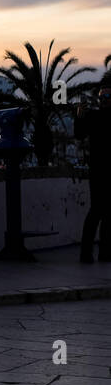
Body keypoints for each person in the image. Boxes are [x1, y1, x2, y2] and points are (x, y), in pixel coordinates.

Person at [74, 86, 111, 263]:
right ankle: (89, 253)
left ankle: (99, 253)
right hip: (99, 170)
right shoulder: (94, 116)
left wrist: (80, 117)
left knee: (103, 212)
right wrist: (80, 116)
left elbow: (79, 134)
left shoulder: (94, 116)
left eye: (107, 96)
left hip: (98, 169)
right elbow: (79, 134)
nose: (104, 100)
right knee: (98, 211)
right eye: (102, 97)